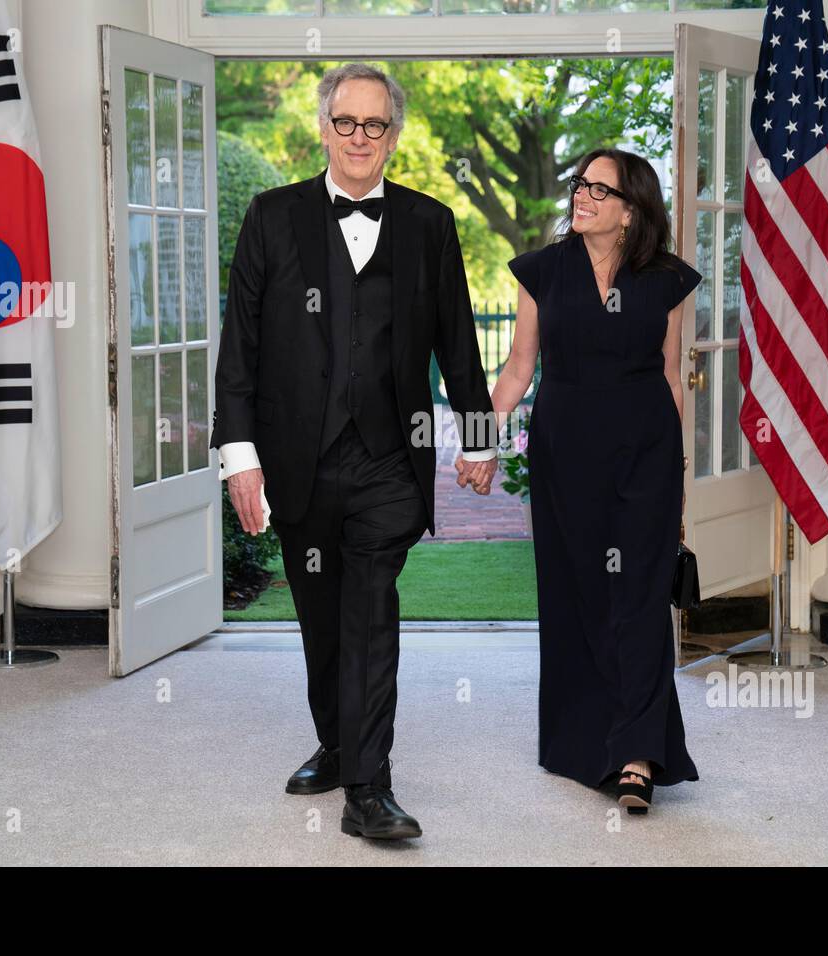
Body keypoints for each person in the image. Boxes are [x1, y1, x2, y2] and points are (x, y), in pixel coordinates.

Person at [211, 63, 499, 841]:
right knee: (320, 618)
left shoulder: (431, 224)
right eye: (346, 122)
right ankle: (338, 743)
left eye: (375, 124)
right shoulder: (271, 217)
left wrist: (477, 433)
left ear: (394, 133)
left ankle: (369, 789)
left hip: (387, 463)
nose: (360, 138)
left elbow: (457, 341)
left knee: (371, 614)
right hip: (297, 460)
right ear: (324, 127)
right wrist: (241, 458)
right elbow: (240, 346)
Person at [490, 148, 701, 814]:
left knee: (638, 596)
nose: (581, 196)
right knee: (577, 592)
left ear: (631, 210)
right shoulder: (542, 272)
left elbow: (669, 374)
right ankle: (584, 742)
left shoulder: (665, 279)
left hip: (646, 451)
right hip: (564, 452)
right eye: (580, 185)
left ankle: (636, 756)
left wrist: (682, 472)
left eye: (597, 189)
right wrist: (478, 443)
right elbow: (519, 367)